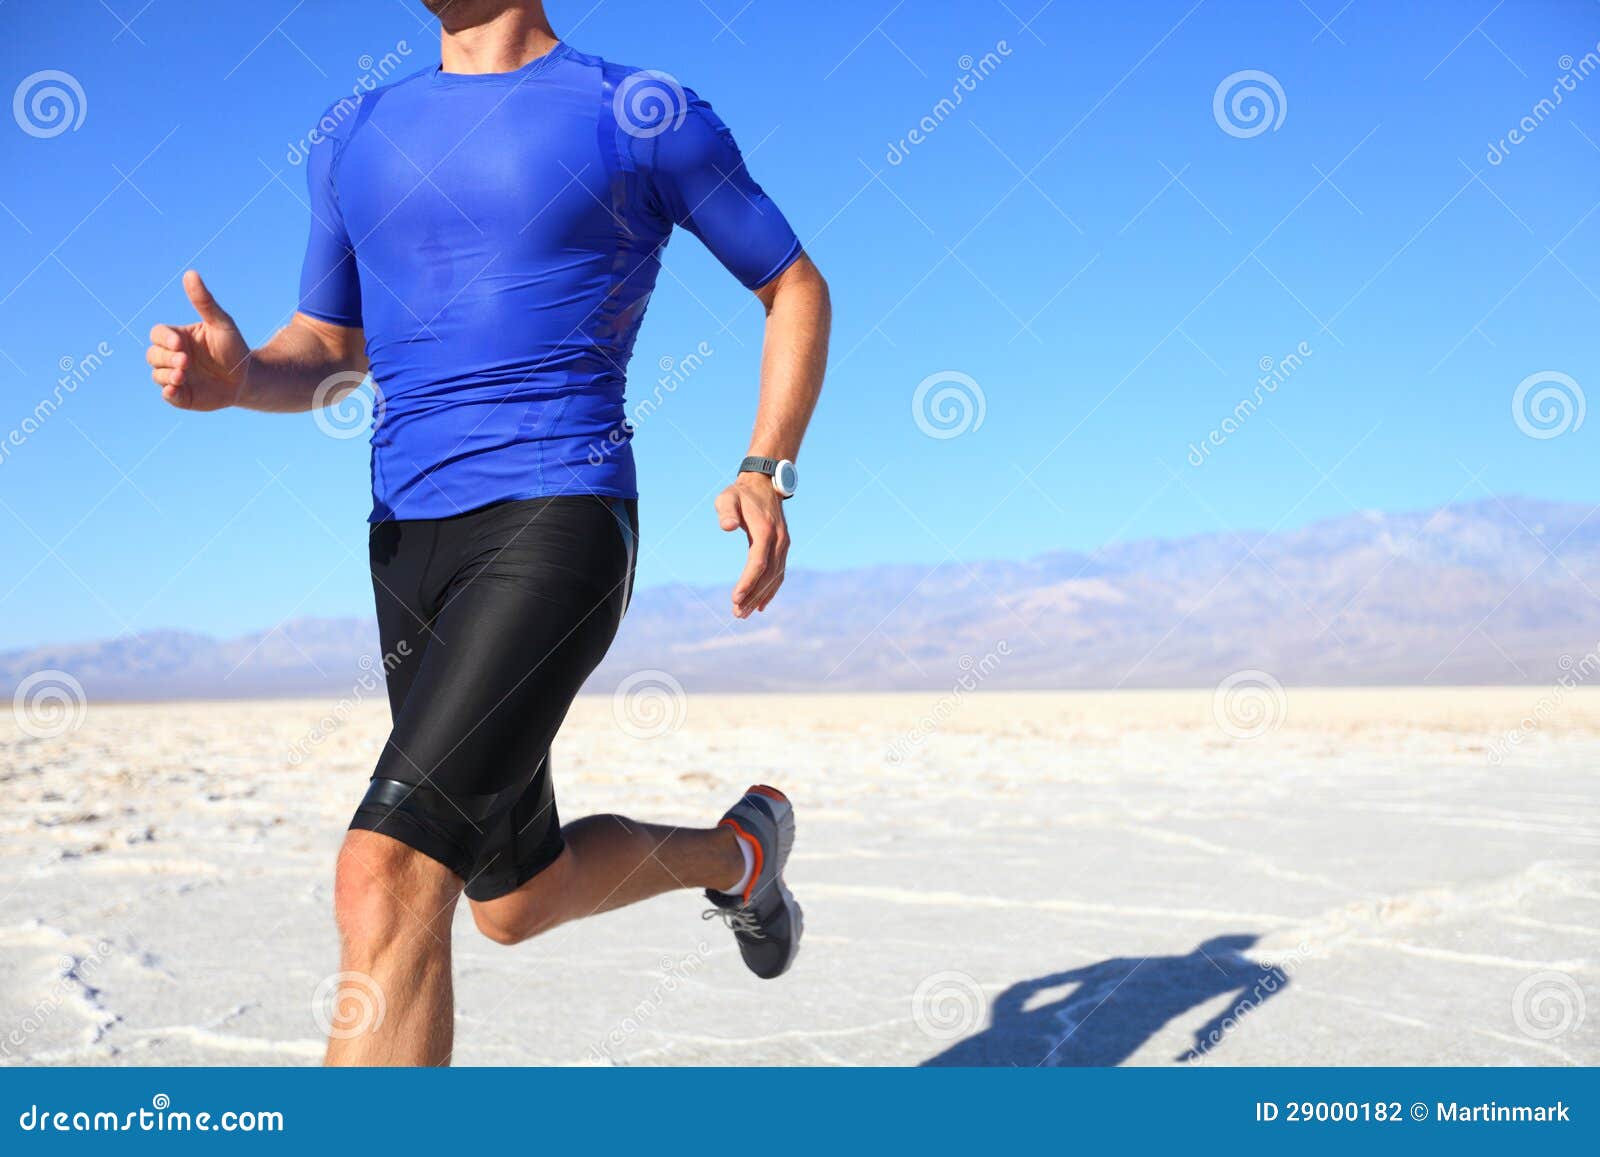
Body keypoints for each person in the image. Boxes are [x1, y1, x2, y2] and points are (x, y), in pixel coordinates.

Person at [143, 0, 830, 1066]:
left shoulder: (637, 112)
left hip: (557, 517)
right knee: (513, 896)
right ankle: (739, 856)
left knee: (386, 873)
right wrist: (243, 379)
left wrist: (765, 465)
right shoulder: (354, 132)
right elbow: (331, 345)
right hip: (405, 543)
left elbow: (792, 283)